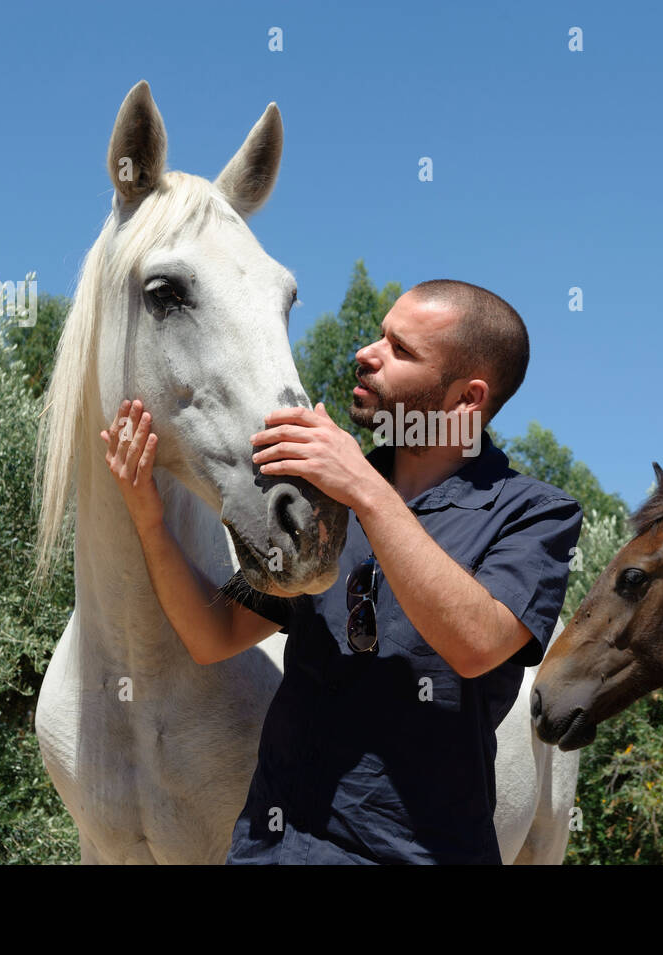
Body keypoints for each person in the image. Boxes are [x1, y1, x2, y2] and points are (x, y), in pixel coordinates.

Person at [101, 279, 582, 864]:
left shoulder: (533, 513)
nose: (367, 353)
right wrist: (149, 518)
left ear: (466, 399)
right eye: (381, 335)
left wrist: (364, 489)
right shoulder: (324, 499)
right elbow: (214, 635)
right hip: (267, 850)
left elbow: (477, 643)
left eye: (401, 350)